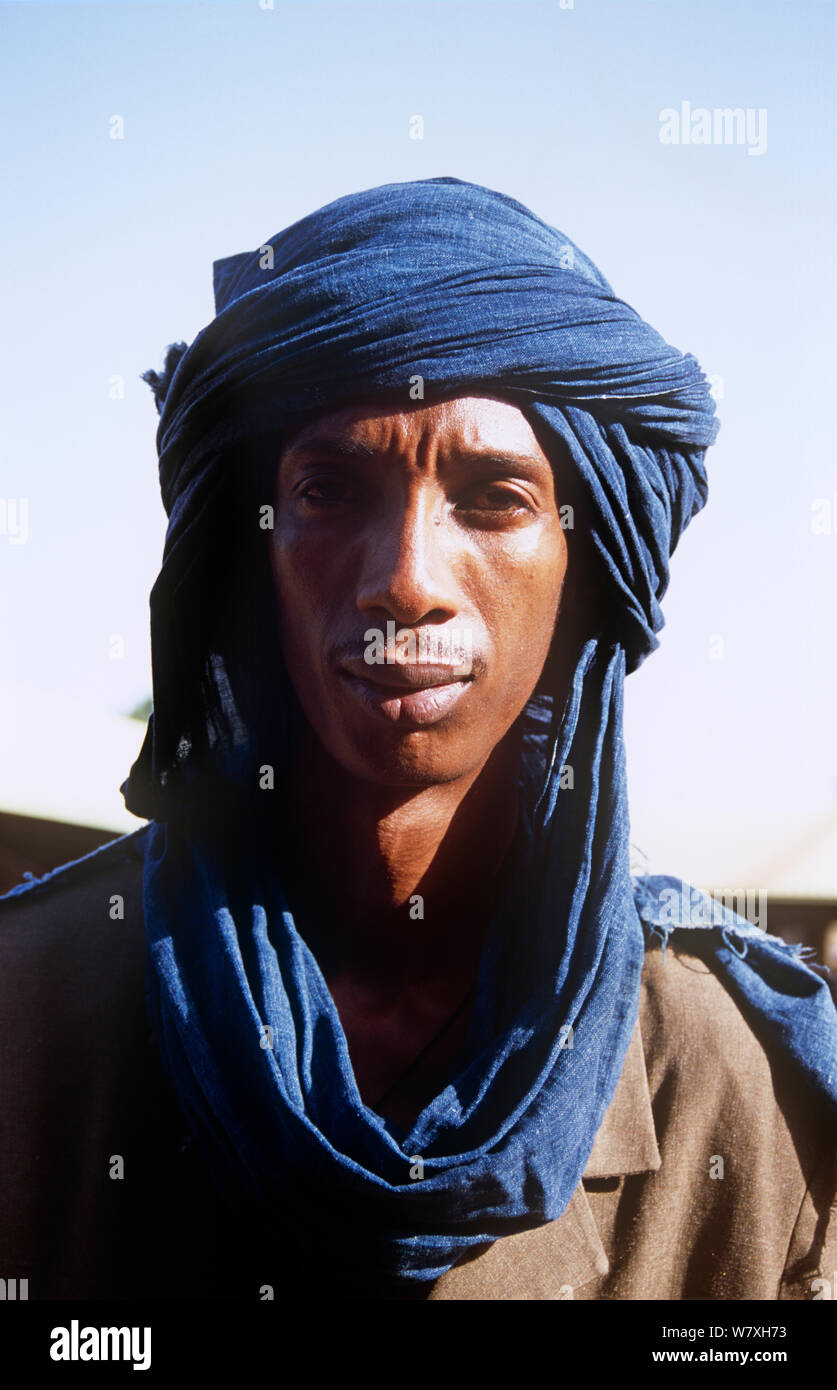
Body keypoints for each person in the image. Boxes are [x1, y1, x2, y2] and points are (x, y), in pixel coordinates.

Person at [1, 178, 835, 1302]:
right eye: (330, 489)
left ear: (584, 574)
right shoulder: (31, 1022)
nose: (405, 576)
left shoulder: (738, 1089)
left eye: (493, 497)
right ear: (253, 559)